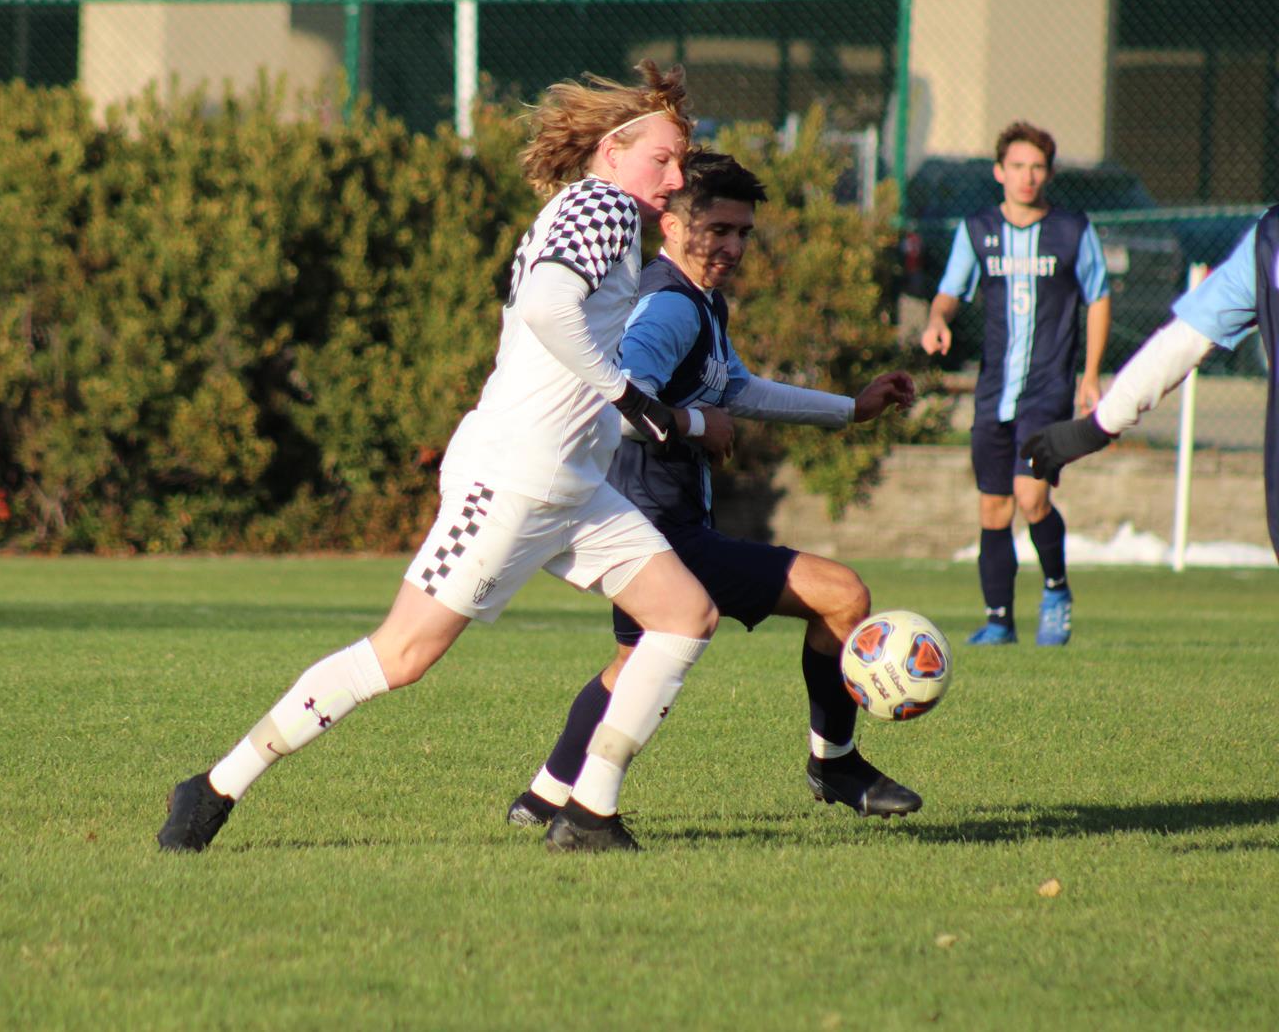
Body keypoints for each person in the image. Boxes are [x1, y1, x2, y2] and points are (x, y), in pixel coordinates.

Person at [158, 61, 720, 855]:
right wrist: (629, 397)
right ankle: (215, 787)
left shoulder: (610, 218)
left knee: (684, 614)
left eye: (680, 163)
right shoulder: (602, 205)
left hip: (572, 484)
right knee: (403, 654)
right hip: (514, 478)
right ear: (610, 153)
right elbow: (547, 307)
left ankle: (590, 812)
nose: (676, 178)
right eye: (662, 159)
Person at [504, 150, 923, 830]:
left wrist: (850, 409)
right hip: (657, 528)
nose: (732, 247)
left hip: (646, 522)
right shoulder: (670, 307)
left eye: (743, 233)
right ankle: (836, 763)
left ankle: (544, 796)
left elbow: (739, 389)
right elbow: (618, 403)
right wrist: (697, 426)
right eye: (717, 229)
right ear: (670, 224)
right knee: (843, 595)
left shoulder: (697, 300)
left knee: (632, 663)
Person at [920, 121, 1112, 647]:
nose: (1028, 177)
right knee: (993, 507)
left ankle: (1056, 591)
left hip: (1048, 389)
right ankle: (999, 621)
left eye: (1038, 167)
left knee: (1031, 498)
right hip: (993, 391)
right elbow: (950, 290)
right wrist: (937, 320)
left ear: (1049, 173)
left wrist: (1091, 373)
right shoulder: (978, 229)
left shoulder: (1072, 230)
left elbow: (1098, 297)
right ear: (999, 171)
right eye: (1018, 166)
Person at [1022, 205, 1279, 561]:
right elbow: (1185, 340)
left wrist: (1098, 426)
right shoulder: (1269, 239)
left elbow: (1183, 343)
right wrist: (1095, 427)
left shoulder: (1271, 236)